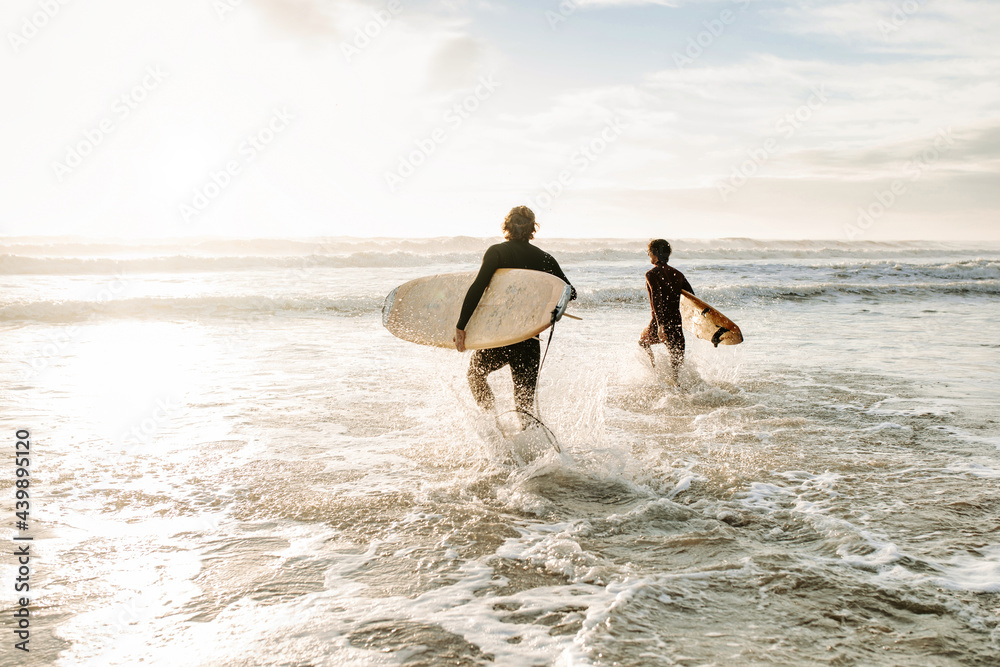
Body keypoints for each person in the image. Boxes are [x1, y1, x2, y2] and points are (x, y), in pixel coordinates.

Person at [454, 206, 575, 426]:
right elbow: (570, 292)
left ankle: (493, 423)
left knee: (475, 375)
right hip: (529, 337)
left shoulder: (497, 252)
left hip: (501, 335)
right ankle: (535, 454)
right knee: (524, 405)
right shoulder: (544, 258)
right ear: (532, 230)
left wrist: (461, 325)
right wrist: (546, 311)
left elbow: (478, 287)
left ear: (507, 226)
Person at [639, 239, 693, 382]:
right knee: (677, 364)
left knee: (643, 342)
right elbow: (692, 298)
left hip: (660, 322)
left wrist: (661, 325)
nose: (648, 254)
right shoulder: (678, 274)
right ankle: (678, 389)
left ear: (655, 253)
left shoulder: (652, 274)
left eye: (649, 252)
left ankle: (655, 374)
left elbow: (657, 300)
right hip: (676, 322)